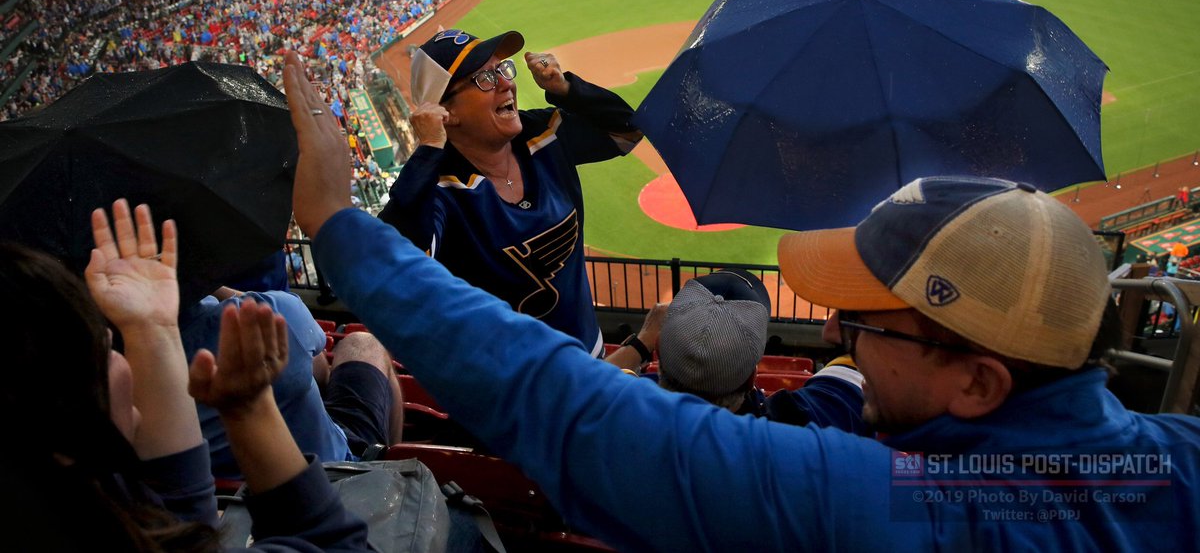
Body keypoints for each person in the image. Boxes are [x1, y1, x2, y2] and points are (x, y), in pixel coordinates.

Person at [284, 52, 1200, 551]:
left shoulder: (863, 505)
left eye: (866, 322)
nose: (839, 329)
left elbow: (554, 397)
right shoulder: (1179, 460)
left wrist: (333, 220)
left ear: (978, 382)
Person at [1, 198, 370, 550]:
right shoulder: (274, 312)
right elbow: (333, 543)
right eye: (103, 347)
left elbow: (184, 510)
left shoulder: (94, 508)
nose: (123, 357)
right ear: (58, 431)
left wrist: (152, 328)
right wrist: (250, 410)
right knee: (364, 346)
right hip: (348, 463)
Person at [379, 29, 642, 355]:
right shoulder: (441, 190)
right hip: (512, 387)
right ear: (447, 113)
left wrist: (566, 89)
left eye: (502, 69)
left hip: (588, 355)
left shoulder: (542, 135)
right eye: (484, 78)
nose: (506, 83)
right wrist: (428, 151)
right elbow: (392, 264)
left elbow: (627, 131)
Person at [180, 283, 403, 480]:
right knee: (363, 343)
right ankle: (386, 456)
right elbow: (319, 366)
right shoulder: (275, 311)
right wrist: (214, 286)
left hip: (229, 499)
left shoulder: (152, 375)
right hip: (337, 472)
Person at [605, 269, 866, 430]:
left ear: (658, 351)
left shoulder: (623, 405)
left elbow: (579, 387)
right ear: (752, 377)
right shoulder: (792, 426)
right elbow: (857, 381)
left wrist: (642, 342)